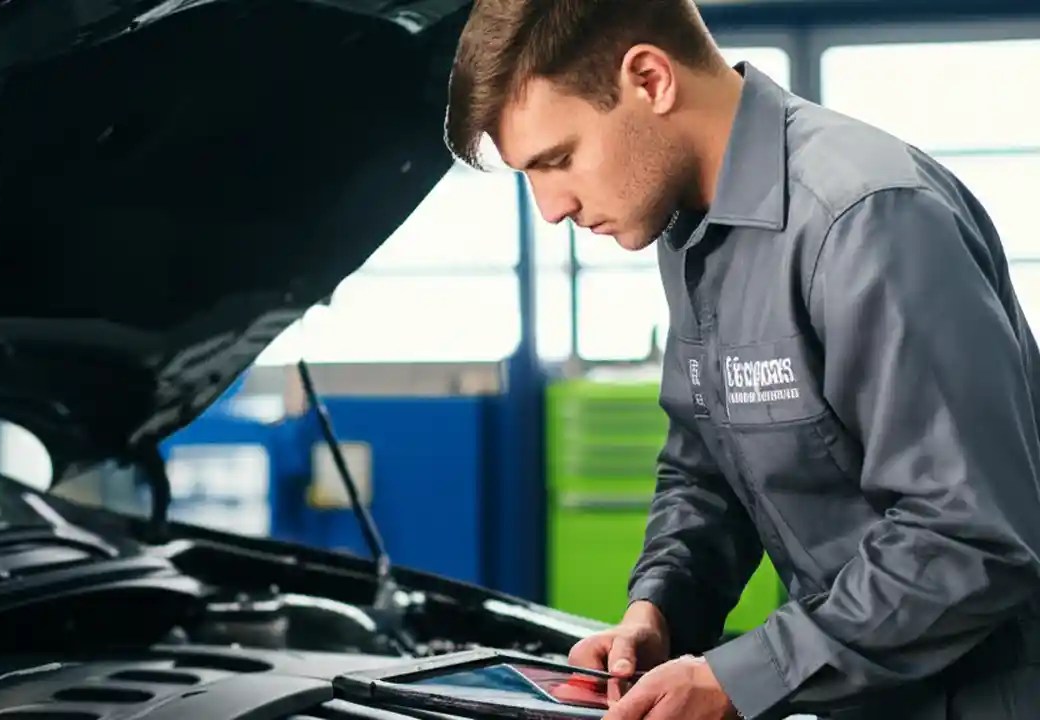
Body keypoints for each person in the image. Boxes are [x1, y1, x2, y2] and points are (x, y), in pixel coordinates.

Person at [444, 2, 1040, 719]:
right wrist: (658, 610)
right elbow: (706, 470)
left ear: (650, 79)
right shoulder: (690, 229)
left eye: (559, 158)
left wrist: (743, 677)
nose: (549, 207)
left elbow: (971, 536)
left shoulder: (867, 219)